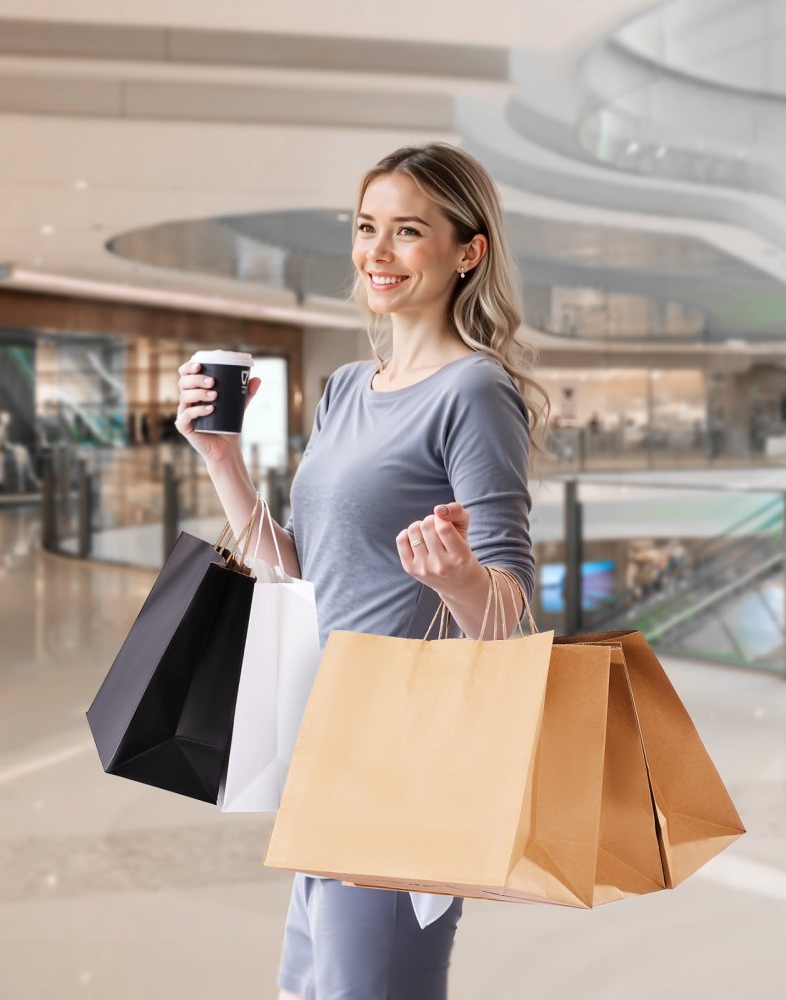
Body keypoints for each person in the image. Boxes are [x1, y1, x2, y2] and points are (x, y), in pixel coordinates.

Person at [176, 142, 549, 1000]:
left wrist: (455, 578)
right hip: (328, 729)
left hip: (407, 746)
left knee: (359, 988)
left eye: (407, 231)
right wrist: (222, 460)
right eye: (365, 228)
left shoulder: (474, 392)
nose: (376, 254)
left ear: (468, 252)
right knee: (311, 985)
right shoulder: (347, 386)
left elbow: (513, 619)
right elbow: (301, 572)